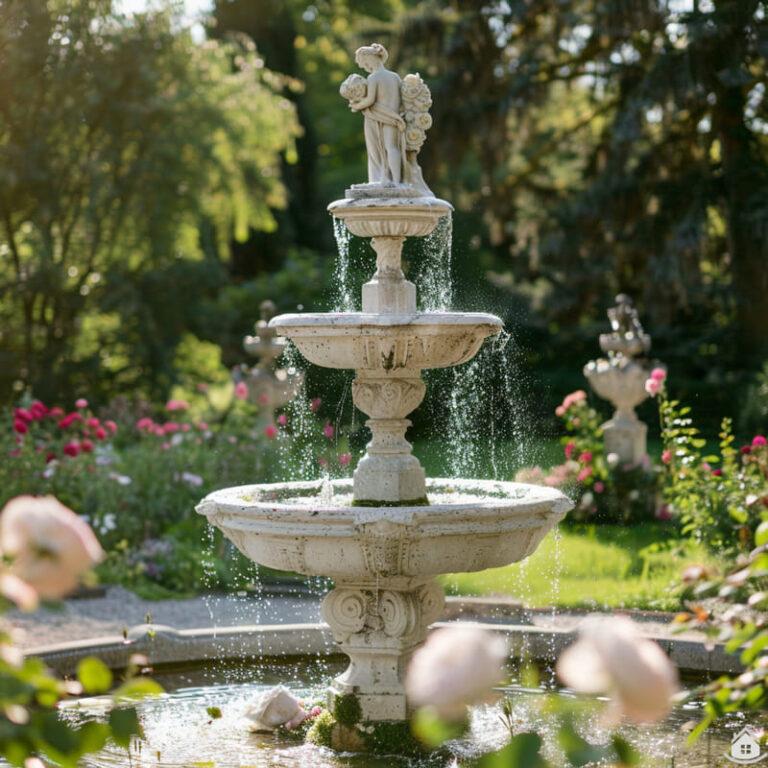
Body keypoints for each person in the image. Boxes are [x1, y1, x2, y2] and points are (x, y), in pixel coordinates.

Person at [348, 43, 406, 185]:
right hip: (394, 117)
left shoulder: (373, 78)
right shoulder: (395, 76)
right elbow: (403, 98)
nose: (364, 67)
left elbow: (369, 100)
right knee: (392, 147)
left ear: (370, 59)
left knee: (382, 149)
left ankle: (386, 178)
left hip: (380, 116)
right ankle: (397, 181)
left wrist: (356, 105)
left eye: (364, 64)